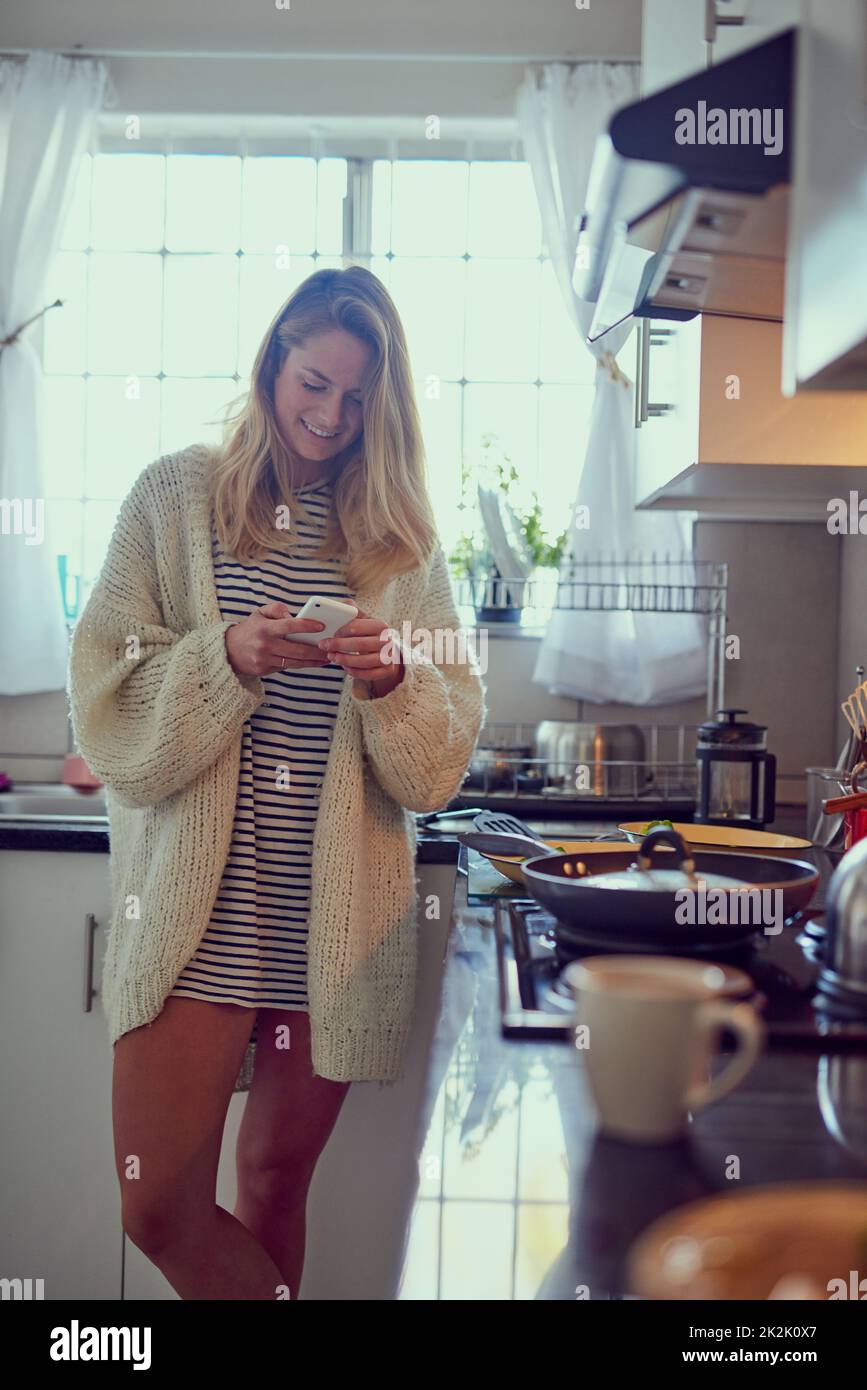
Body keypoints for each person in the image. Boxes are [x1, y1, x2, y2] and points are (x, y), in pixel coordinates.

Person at [67, 265, 486, 1299]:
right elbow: (105, 699)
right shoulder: (174, 498)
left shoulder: (403, 546)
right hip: (197, 917)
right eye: (314, 381)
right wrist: (229, 658)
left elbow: (437, 763)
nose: (331, 414)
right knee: (156, 1202)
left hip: (334, 923)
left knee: (274, 1180)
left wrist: (392, 677)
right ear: (272, 364)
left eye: (357, 399)